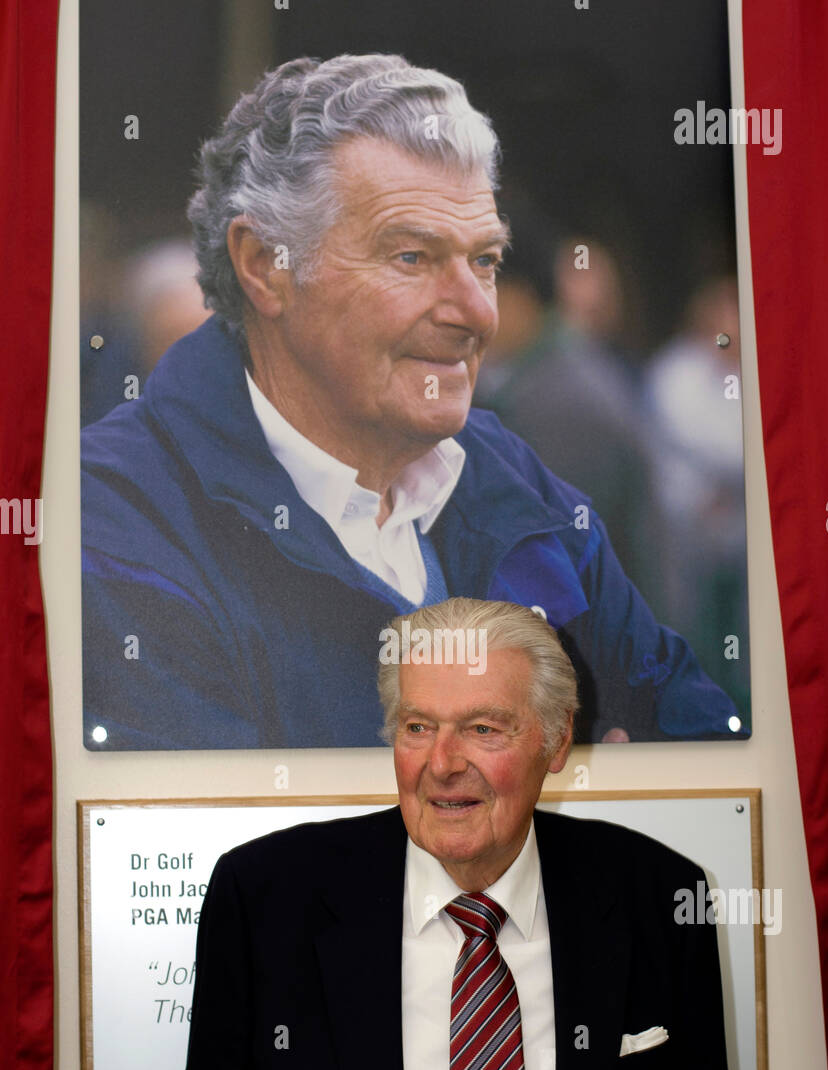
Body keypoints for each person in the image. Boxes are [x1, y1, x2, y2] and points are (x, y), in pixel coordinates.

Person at [82, 53, 747, 750]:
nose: (476, 312)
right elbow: (200, 821)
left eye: (484, 261)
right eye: (411, 258)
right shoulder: (116, 515)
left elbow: (700, 747)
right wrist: (562, 795)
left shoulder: (510, 478)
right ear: (265, 267)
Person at [143, 597, 753, 1070]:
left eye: (482, 729)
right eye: (418, 727)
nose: (442, 763)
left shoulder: (659, 897)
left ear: (557, 741)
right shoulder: (266, 899)